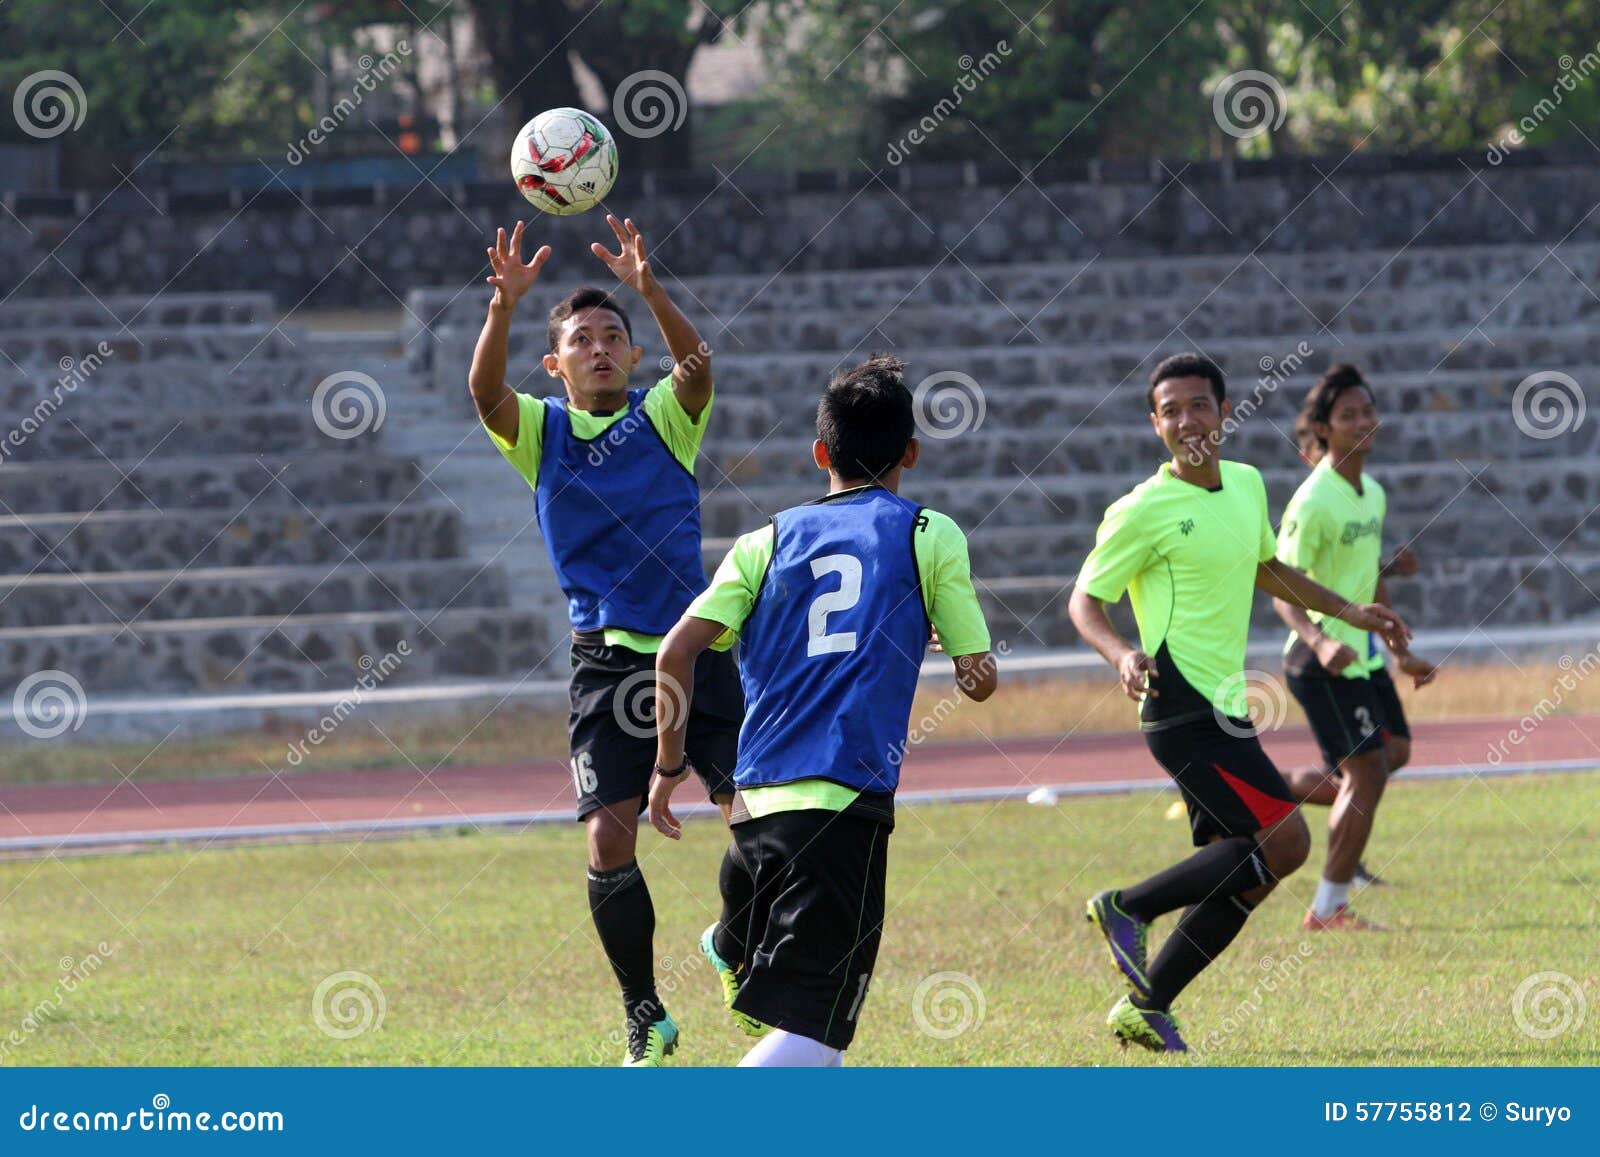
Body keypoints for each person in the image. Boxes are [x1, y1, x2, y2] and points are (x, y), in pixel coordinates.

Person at [646, 353, 998, 1067]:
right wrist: (947, 644)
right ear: (912, 452)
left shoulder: (764, 540)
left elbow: (673, 654)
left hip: (753, 807)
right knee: (819, 1027)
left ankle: (730, 939)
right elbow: (978, 678)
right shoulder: (928, 533)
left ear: (818, 453)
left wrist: (669, 764)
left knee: (825, 1024)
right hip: (841, 802)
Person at [468, 215, 754, 1066]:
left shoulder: (667, 419)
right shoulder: (542, 433)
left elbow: (698, 369)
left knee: (760, 822)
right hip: (606, 664)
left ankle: (733, 942)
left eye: (613, 338)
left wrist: (650, 290)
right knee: (607, 838)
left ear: (633, 357)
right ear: (554, 366)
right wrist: (502, 308)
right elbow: (484, 395)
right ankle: (646, 1013)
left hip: (699, 650)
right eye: (581, 341)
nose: (599, 349)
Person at [1070, 353, 1409, 1052]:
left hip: (1226, 707)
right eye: (1172, 410)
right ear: (1155, 423)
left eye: (1199, 405)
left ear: (1225, 414)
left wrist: (1349, 608)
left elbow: (1268, 569)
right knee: (1284, 841)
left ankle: (1148, 1004)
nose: (1187, 420)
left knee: (1244, 875)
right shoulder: (1141, 509)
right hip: (1177, 706)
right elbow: (1085, 600)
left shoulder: (1248, 485)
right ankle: (1125, 906)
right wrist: (1121, 653)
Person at [1273, 366, 1437, 926]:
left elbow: (1369, 581)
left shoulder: (1372, 493)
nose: (1363, 422)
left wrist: (1399, 650)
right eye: (1348, 416)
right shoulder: (1313, 500)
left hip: (1361, 657)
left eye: (1367, 411)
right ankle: (1329, 908)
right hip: (1319, 662)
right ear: (1324, 428)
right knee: (1366, 774)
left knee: (1393, 754)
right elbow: (1280, 588)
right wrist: (1318, 641)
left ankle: (1270, 790)